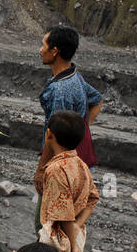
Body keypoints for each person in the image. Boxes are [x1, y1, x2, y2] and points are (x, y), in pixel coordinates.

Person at [33, 26, 103, 228]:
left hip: (62, 171)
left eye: (43, 45)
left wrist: (40, 170)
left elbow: (54, 135)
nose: (40, 50)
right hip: (79, 163)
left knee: (45, 226)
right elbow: (97, 99)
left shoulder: (60, 90)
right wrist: (81, 129)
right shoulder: (74, 76)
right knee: (67, 224)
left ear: (54, 51)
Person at [38, 110, 100, 252]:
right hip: (75, 238)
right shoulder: (81, 165)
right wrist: (78, 225)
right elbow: (93, 199)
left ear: (49, 134)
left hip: (57, 245)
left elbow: (63, 215)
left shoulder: (56, 169)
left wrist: (72, 248)